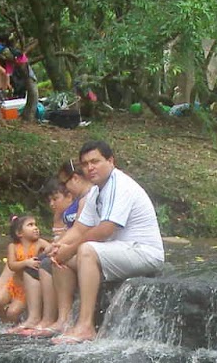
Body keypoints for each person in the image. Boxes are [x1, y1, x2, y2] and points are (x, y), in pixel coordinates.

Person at [46, 140, 164, 344]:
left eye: (95, 161)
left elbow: (106, 229)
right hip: (118, 251)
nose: (90, 168)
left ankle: (85, 326)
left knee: (85, 250)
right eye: (85, 164)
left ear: (110, 161)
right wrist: (59, 246)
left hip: (144, 252)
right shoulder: (95, 191)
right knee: (61, 258)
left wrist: (72, 248)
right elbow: (80, 228)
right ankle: (64, 321)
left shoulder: (121, 185)